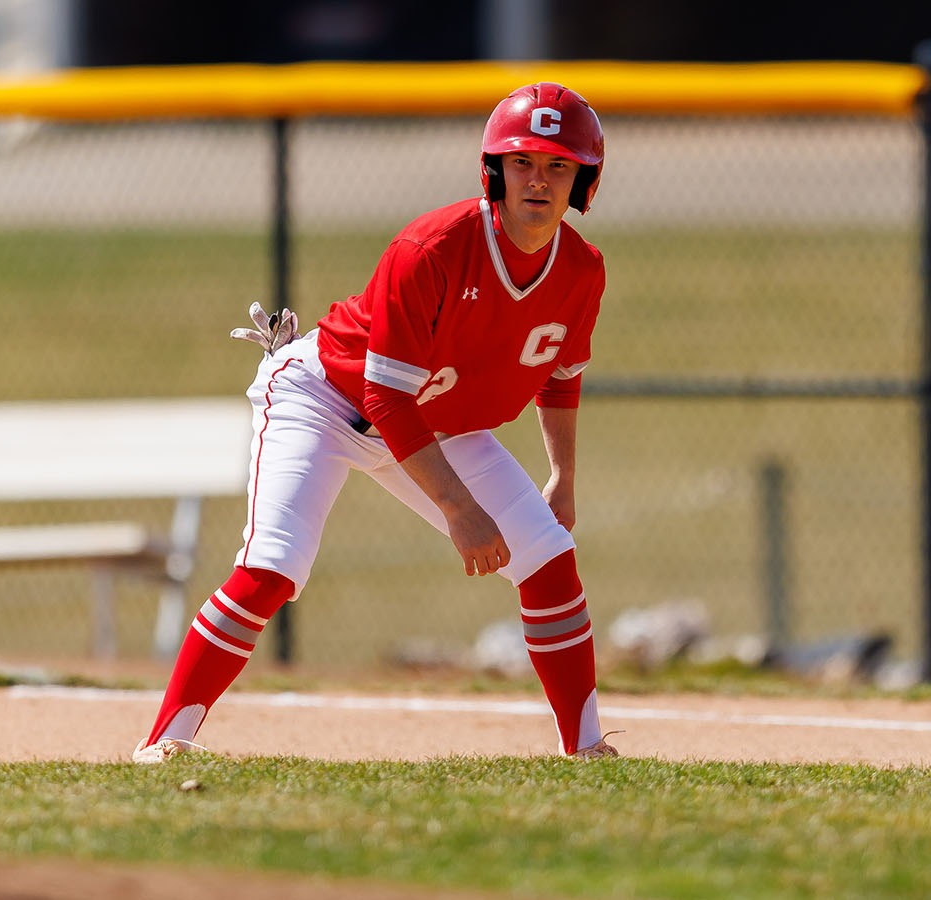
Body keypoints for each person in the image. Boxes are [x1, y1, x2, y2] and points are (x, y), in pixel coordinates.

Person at [134, 82, 617, 762]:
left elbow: (561, 374)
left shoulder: (582, 270)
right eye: (522, 162)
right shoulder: (433, 247)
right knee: (273, 567)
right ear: (495, 170)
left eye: (557, 165)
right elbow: (385, 398)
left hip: (438, 423)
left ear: (584, 180)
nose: (537, 180)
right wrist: (457, 508)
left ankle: (588, 750)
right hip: (327, 400)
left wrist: (562, 474)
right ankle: (164, 743)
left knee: (548, 559)